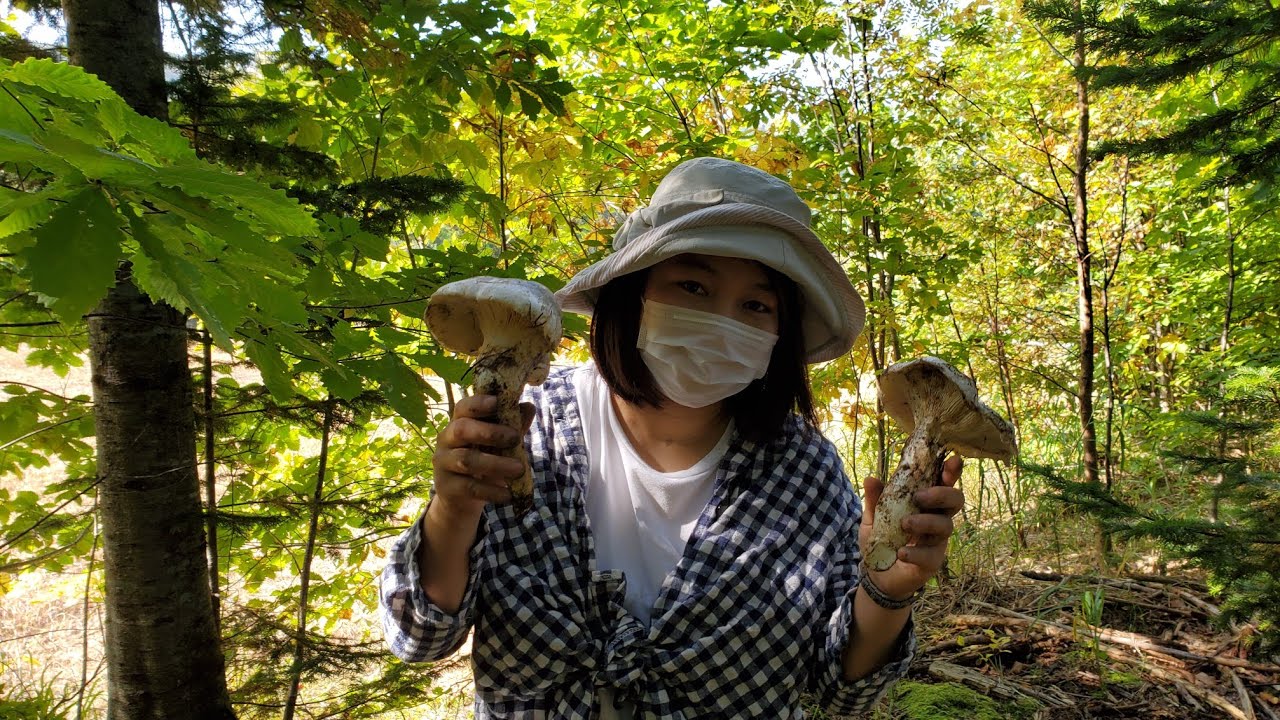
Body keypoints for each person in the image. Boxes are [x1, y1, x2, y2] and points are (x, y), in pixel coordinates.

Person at [380, 157, 964, 718]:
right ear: (633, 292)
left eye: (756, 304)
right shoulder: (525, 434)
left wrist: (887, 590)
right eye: (692, 287)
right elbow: (419, 635)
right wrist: (454, 507)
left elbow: (841, 692)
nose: (721, 321)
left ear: (780, 335)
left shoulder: (804, 472)